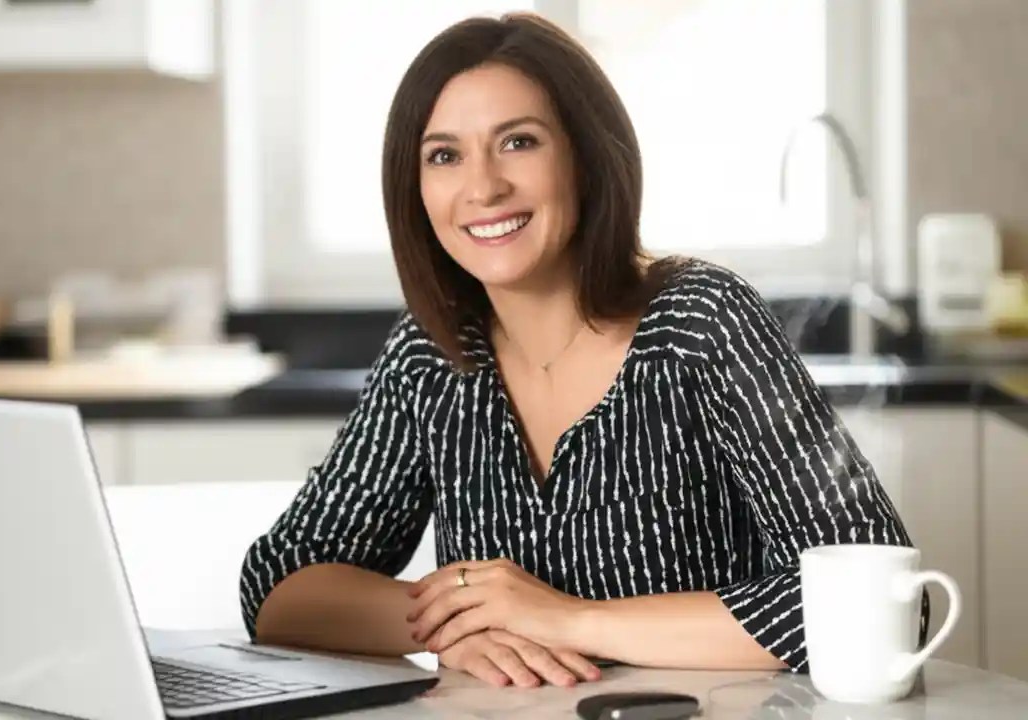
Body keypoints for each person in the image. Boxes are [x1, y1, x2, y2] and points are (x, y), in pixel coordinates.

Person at [238, 12, 921, 689]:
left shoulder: (701, 322)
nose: (482, 187)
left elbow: (889, 601)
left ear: (587, 158)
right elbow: (280, 585)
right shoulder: (433, 352)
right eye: (444, 155)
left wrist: (568, 620)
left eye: (519, 142)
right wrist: (460, 622)